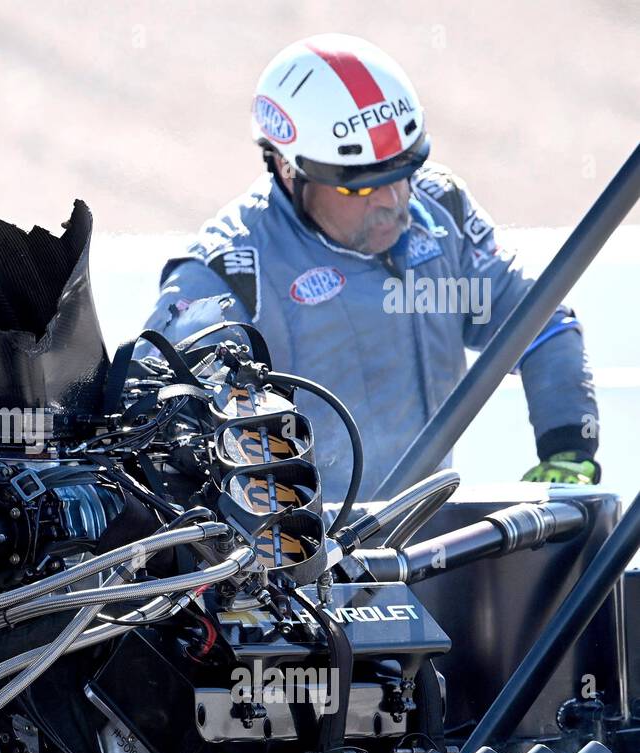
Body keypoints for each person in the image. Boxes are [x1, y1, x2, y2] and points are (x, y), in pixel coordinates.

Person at [142, 34, 599, 502]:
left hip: (434, 537)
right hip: (300, 560)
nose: (393, 201)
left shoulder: (443, 212)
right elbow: (157, 422)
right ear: (288, 170)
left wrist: (567, 447)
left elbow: (541, 322)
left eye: (402, 172)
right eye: (360, 188)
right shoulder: (227, 270)